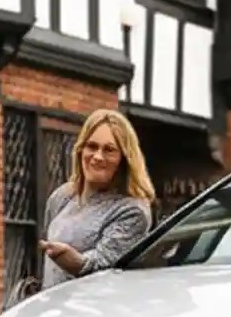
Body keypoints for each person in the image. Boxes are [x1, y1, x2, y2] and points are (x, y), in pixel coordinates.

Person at [40, 109, 155, 290]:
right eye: (92, 146)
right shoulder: (62, 196)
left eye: (109, 150)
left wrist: (77, 262)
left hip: (92, 313)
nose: (98, 157)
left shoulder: (132, 210)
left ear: (124, 159)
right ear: (80, 150)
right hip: (52, 310)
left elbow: (107, 268)